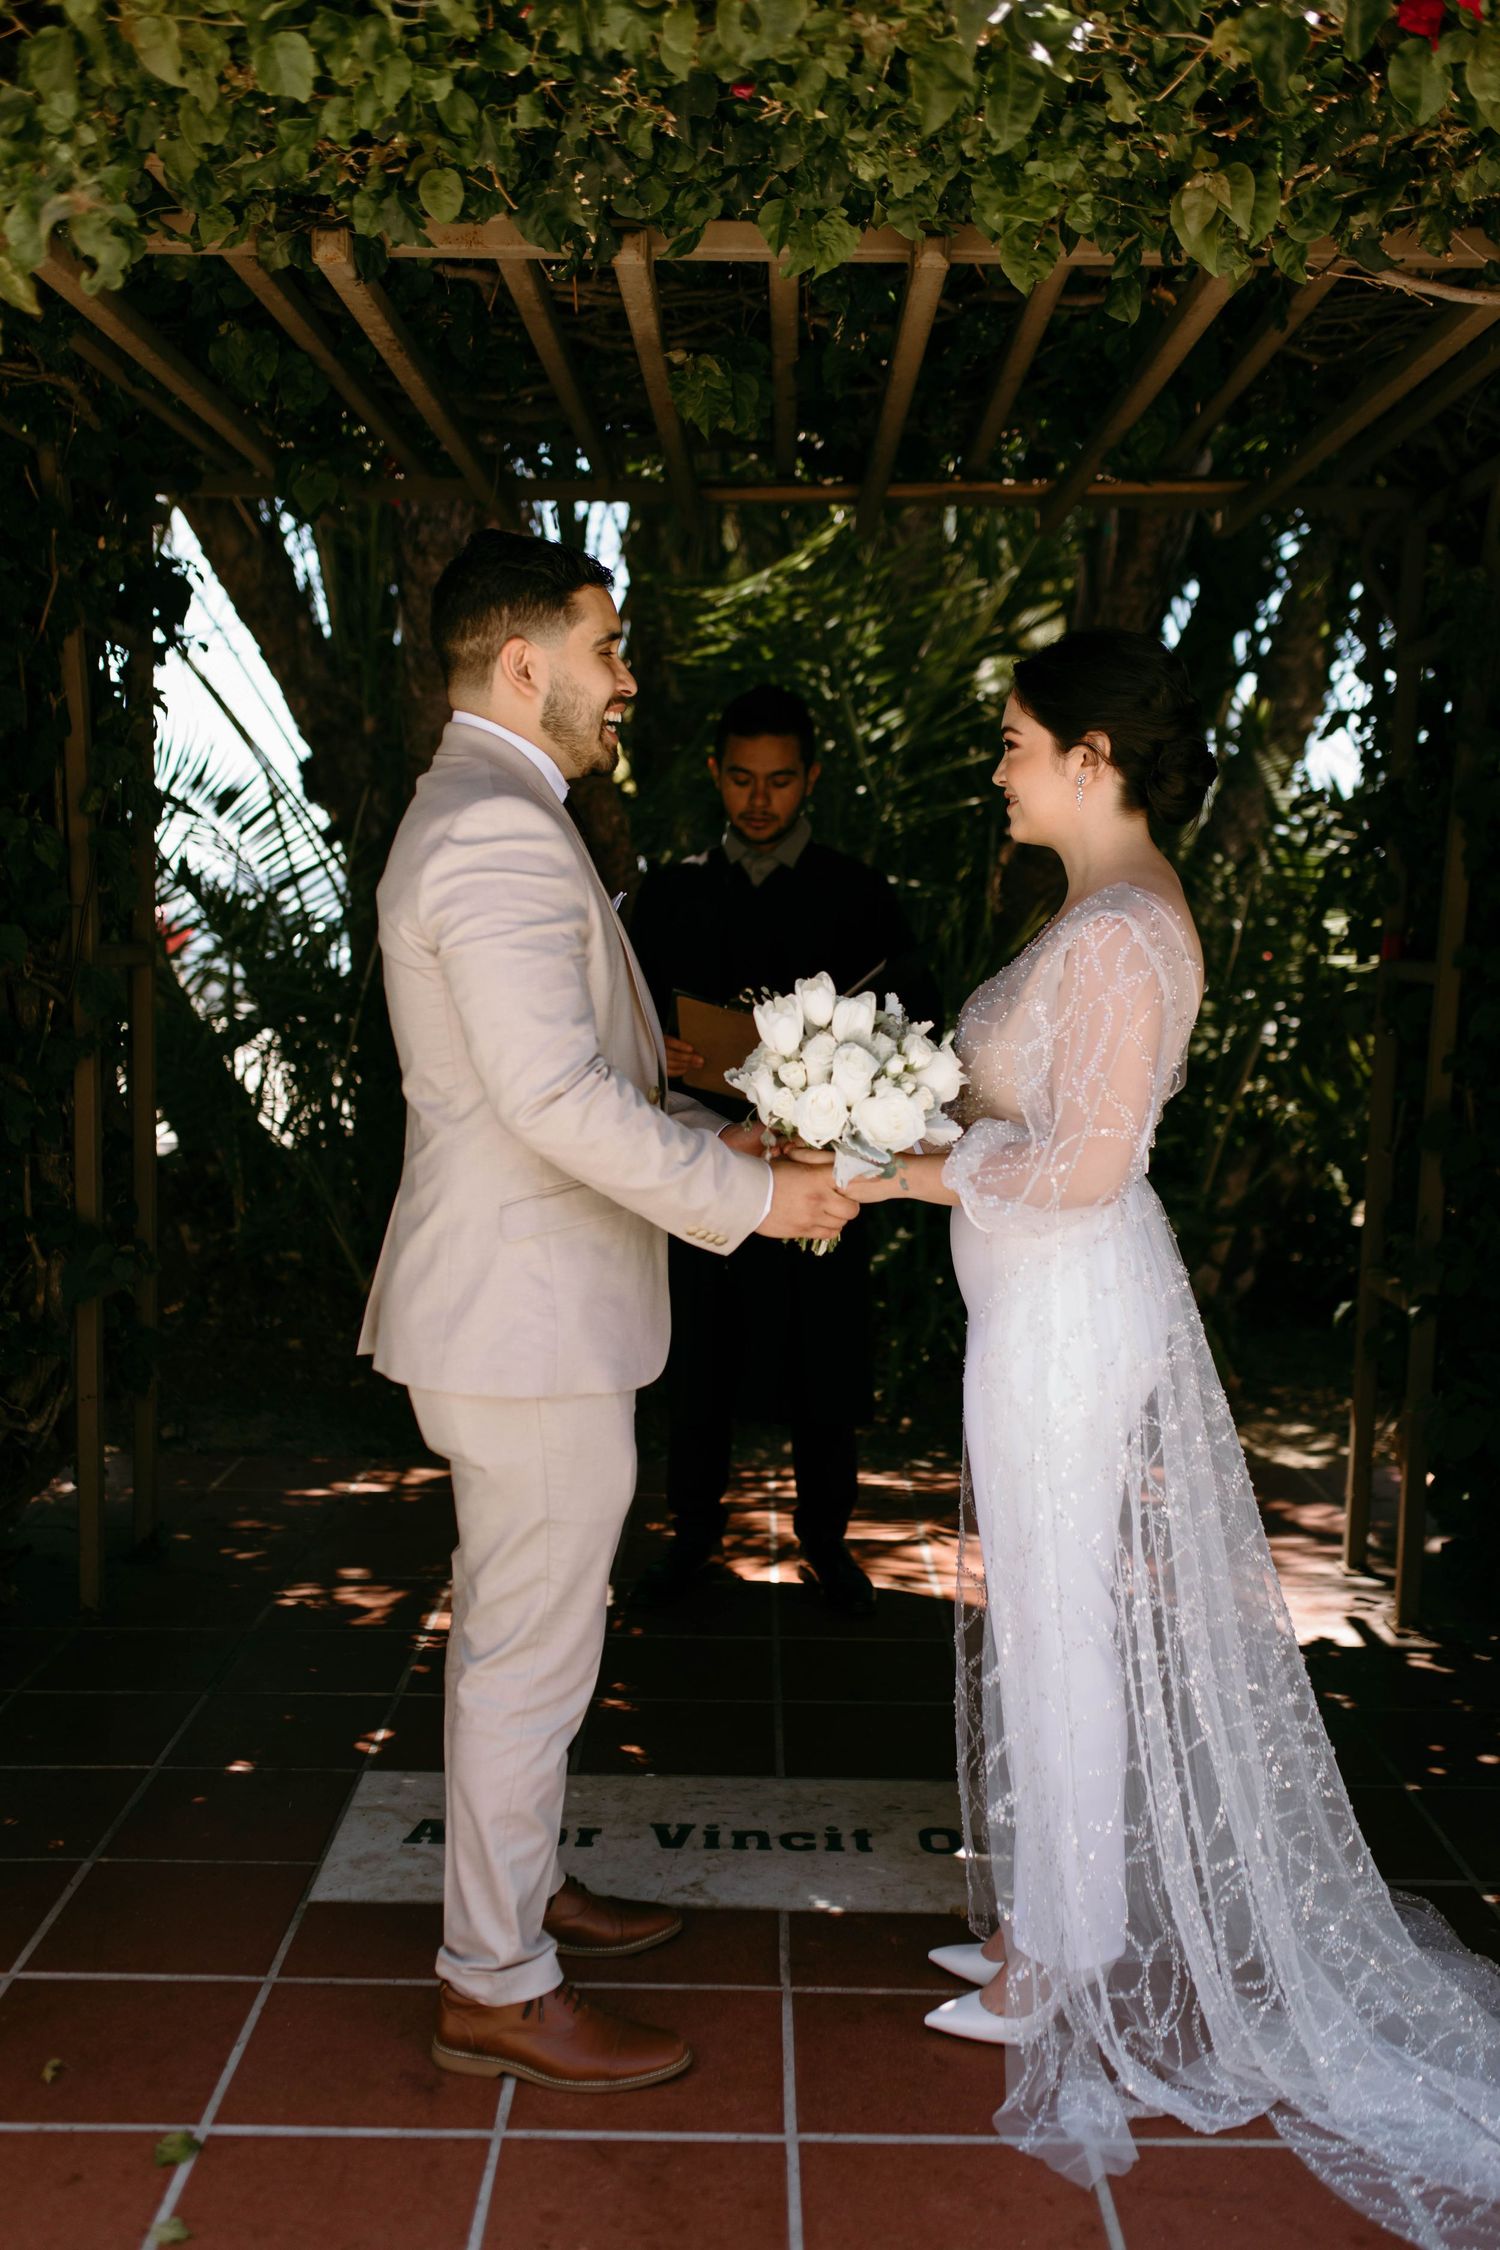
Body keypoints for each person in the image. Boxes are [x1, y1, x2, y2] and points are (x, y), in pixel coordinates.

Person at [843, 629, 1500, 2244]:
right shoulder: (1095, 916)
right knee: (1045, 1616)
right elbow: (1029, 1120)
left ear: (1096, 757)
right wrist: (896, 1113)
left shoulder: (1128, 934)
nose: (998, 765)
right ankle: (1051, 1928)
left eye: (1014, 741)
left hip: (1070, 1309)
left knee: (1065, 1626)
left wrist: (888, 1172)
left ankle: (1055, 1965)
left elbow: (1083, 1168)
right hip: (1037, 1309)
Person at [357, 532, 857, 2092]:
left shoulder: (499, 809)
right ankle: (495, 1979)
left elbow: (594, 1081)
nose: (628, 678)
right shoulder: (494, 830)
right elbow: (553, 1101)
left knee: (526, 1634)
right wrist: (757, 1202)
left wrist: (726, 1135)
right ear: (527, 664)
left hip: (530, 1306)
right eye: (609, 646)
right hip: (520, 1315)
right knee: (525, 1643)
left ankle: (517, 1889)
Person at [627, 683, 940, 1617]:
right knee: (701, 1353)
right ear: (716, 774)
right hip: (710, 1159)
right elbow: (618, 1022)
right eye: (741, 779)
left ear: (810, 779)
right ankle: (690, 1539)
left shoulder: (859, 895)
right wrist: (661, 1052)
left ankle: (828, 1544)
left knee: (824, 1354)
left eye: (779, 781)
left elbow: (907, 1018)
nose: (758, 800)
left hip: (825, 1170)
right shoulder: (672, 893)